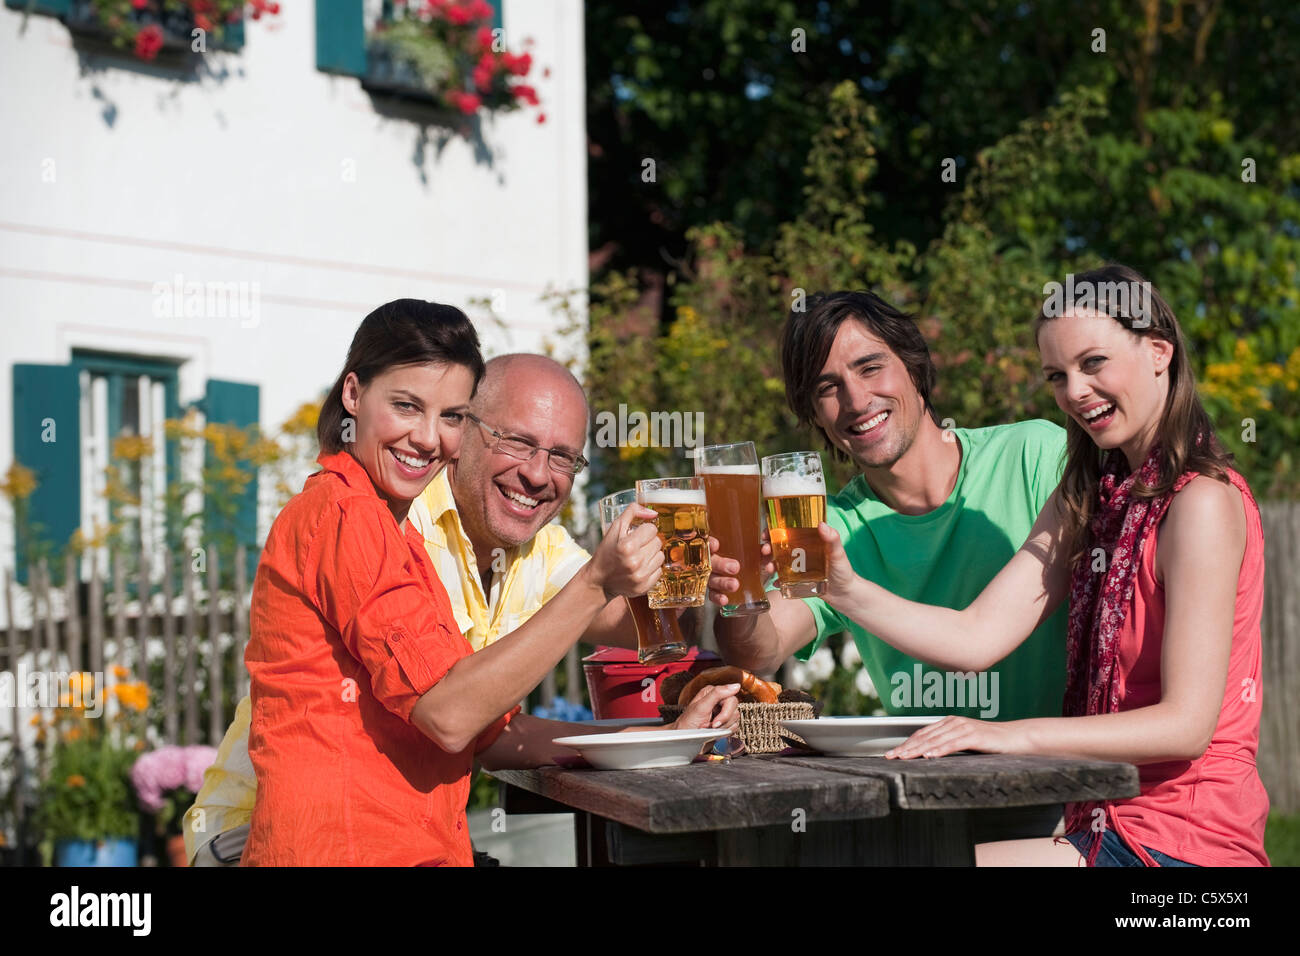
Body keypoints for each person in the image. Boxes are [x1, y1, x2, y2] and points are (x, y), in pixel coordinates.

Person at [233, 300, 739, 866]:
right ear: (353, 395)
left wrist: (665, 736)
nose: (428, 439)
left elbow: (484, 731)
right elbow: (449, 716)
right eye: (406, 406)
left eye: (449, 416)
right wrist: (597, 581)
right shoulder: (351, 514)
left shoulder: (389, 525)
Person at [812, 266, 1269, 867]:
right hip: (1097, 823)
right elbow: (976, 636)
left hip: (1187, 846)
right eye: (1058, 375)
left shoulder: (1201, 501)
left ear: (1159, 351)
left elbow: (1185, 726)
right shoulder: (1089, 494)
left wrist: (1010, 734)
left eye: (1094, 362)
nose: (1075, 391)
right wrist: (842, 589)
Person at [184, 351, 651, 866]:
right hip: (270, 833)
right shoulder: (391, 522)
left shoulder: (535, 543)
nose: (538, 474)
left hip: (394, 835)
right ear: (464, 430)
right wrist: (594, 586)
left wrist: (732, 588)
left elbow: (633, 626)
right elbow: (452, 716)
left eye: (563, 456)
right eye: (517, 442)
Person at [713, 290, 1069, 725]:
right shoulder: (832, 531)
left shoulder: (1034, 456)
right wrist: (739, 594)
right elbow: (761, 651)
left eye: (870, 367)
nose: (857, 400)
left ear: (913, 367)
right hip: (927, 782)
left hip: (1070, 776)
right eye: (828, 387)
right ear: (815, 414)